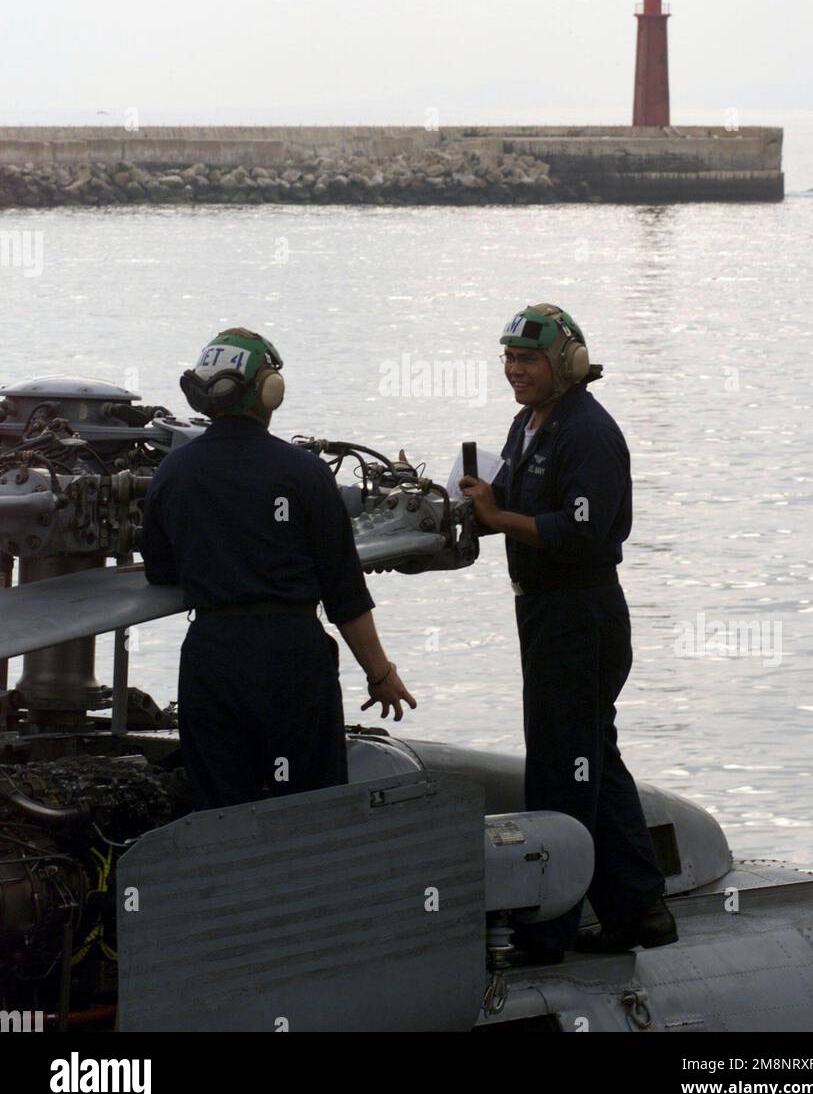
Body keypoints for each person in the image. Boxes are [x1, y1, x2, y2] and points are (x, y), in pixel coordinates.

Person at [459, 303, 676, 963]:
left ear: (567, 364)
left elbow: (580, 533)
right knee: (594, 760)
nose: (514, 370)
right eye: (508, 358)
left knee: (562, 769)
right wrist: (458, 498)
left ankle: (546, 932)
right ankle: (640, 912)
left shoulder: (589, 434)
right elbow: (498, 501)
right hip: (544, 613)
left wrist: (498, 516)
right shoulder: (526, 424)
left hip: (580, 614)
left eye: (526, 359)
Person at [141, 326, 415, 811]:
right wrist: (380, 673)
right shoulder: (304, 473)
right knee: (306, 806)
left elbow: (161, 570)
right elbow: (344, 594)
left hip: (211, 658)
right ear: (269, 390)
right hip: (291, 658)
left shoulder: (173, 471)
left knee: (220, 809)